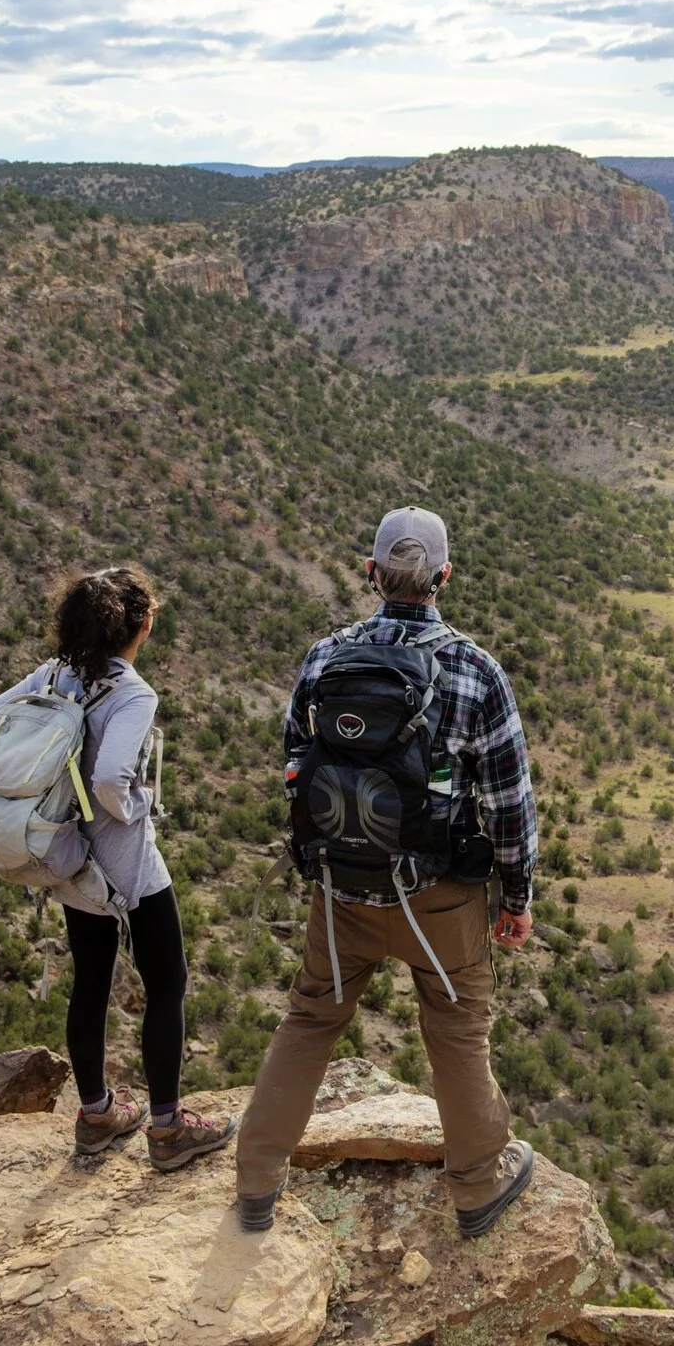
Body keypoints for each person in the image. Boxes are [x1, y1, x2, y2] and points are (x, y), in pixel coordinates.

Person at [236, 507, 538, 1237]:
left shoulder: (325, 656)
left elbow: (292, 769)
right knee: (458, 1027)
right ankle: (474, 1186)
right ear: (443, 577)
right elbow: (507, 802)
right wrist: (516, 896)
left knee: (311, 1018)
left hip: (342, 888)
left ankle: (254, 1181)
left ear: (370, 574)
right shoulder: (475, 671)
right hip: (438, 897)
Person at [0, 566, 235, 1171]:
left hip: (68, 859)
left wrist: (45, 779)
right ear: (139, 626)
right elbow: (112, 778)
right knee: (167, 982)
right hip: (128, 867)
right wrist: (137, 805)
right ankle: (168, 1129)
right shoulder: (133, 695)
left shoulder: (53, 677)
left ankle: (96, 1115)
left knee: (90, 981)